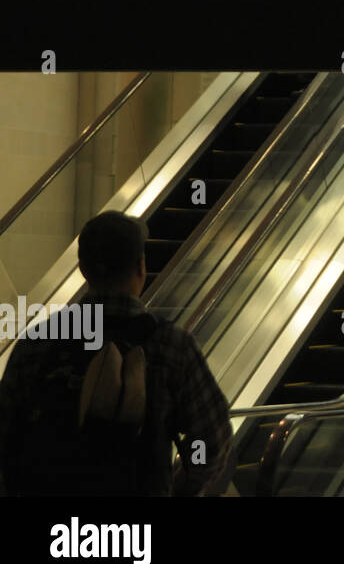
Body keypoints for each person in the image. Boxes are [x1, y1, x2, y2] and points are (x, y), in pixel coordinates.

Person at [0, 212, 232, 496]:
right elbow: (212, 437)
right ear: (140, 267)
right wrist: (184, 487)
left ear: (83, 270)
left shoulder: (39, 342)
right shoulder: (171, 345)